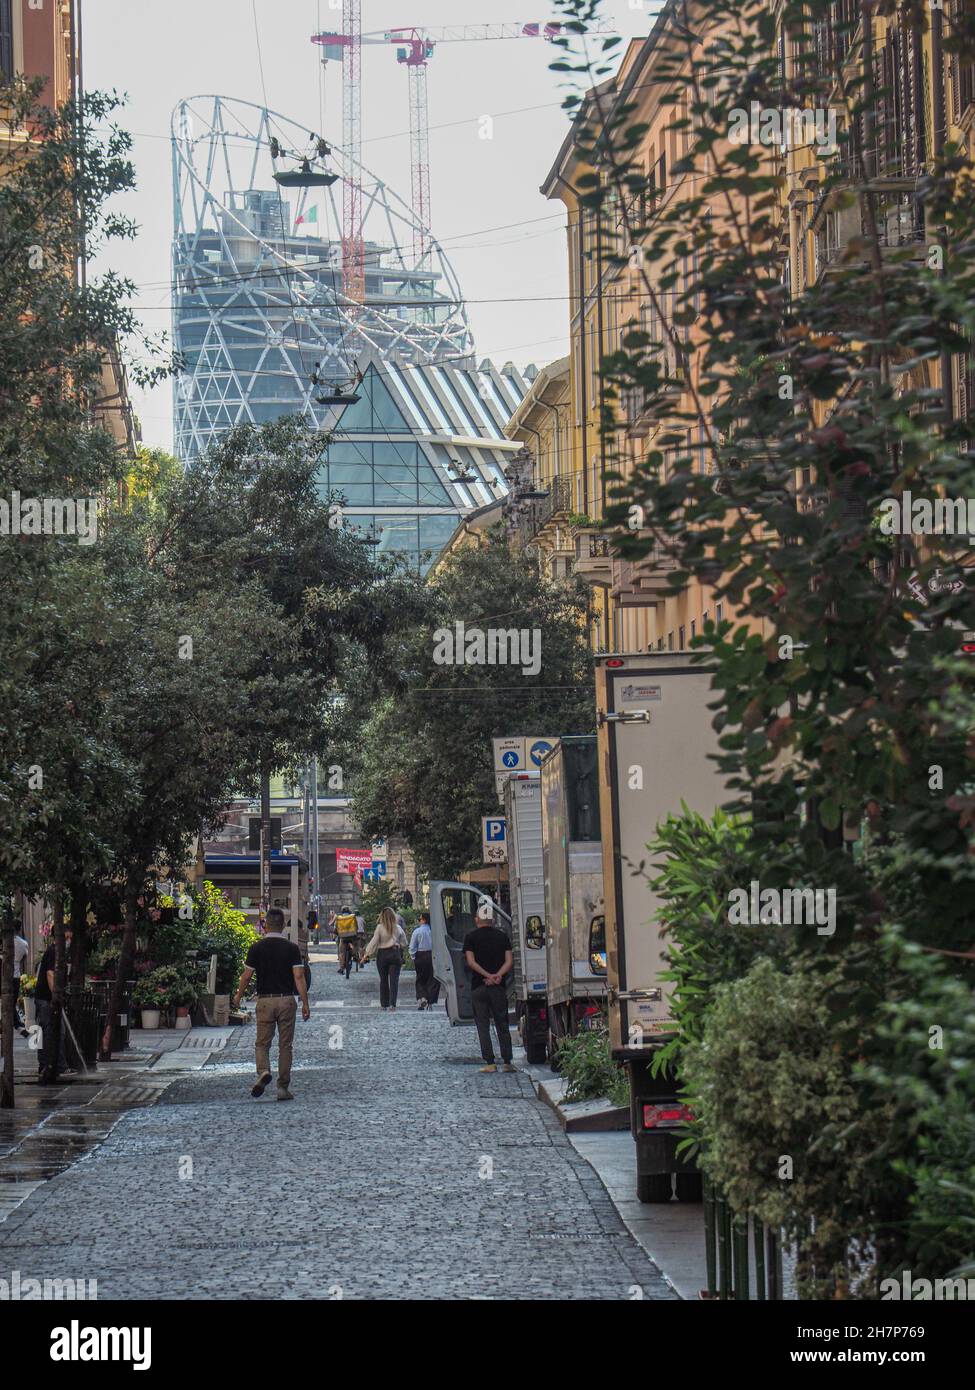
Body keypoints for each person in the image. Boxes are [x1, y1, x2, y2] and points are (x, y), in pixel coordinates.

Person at [232, 908, 310, 1102]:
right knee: (286, 1045)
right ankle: (283, 1088)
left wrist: (238, 995)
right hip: (286, 999)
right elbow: (299, 977)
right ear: (283, 925)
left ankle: (263, 1071)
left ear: (265, 925)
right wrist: (305, 1003)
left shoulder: (256, 948)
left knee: (262, 1043)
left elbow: (246, 976)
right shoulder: (292, 948)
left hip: (265, 1000)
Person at [463, 900, 515, 1073]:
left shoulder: (470, 937)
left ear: (477, 919)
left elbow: (471, 962)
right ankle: (507, 1061)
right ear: (492, 920)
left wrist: (486, 976)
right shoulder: (502, 937)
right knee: (502, 1023)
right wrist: (497, 975)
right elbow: (509, 961)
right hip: (498, 988)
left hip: (479, 986)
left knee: (483, 1025)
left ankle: (490, 1062)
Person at [34, 927, 72, 1083]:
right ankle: (51, 1066)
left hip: (46, 998)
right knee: (52, 1031)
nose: (69, 941)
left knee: (50, 1031)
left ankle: (50, 1065)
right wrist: (55, 996)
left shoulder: (56, 952)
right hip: (45, 998)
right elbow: (50, 974)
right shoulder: (54, 951)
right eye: (68, 937)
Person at [363, 907, 408, 1012]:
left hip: (382, 955)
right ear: (393, 916)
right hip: (394, 954)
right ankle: (393, 1005)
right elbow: (404, 943)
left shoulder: (379, 928)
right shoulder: (398, 928)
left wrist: (367, 953)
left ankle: (384, 1004)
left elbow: (373, 942)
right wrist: (398, 945)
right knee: (394, 981)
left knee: (383, 980)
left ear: (381, 916)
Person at [409, 911, 439, 1011]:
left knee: (420, 979)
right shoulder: (434, 931)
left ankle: (422, 998)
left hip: (420, 955)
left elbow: (412, 947)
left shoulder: (417, 931)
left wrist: (414, 957)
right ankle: (431, 1000)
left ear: (424, 920)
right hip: (432, 955)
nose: (419, 921)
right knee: (432, 978)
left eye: (419, 919)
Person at [334, 905, 359, 977]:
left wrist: (336, 933)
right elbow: (356, 926)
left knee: (341, 952)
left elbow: (336, 929)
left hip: (343, 937)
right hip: (352, 936)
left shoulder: (339, 918)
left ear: (342, 912)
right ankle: (355, 955)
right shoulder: (352, 917)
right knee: (355, 945)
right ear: (349, 911)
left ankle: (341, 968)